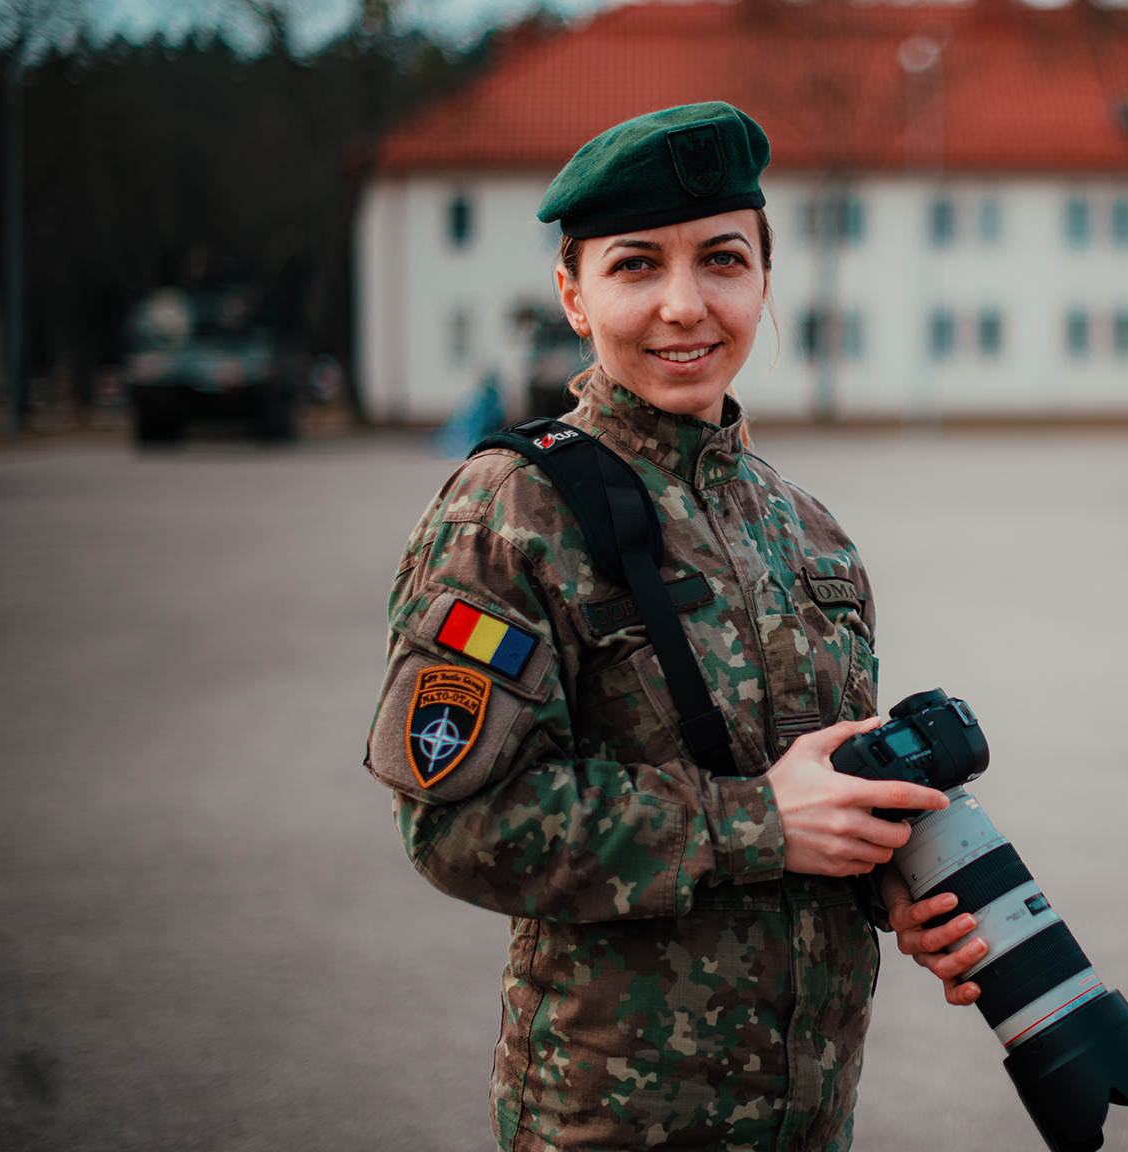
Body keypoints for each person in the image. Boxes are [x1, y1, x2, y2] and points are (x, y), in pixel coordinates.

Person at [364, 102, 987, 1152]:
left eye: (722, 261)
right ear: (573, 293)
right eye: (636, 267)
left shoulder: (807, 530)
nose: (684, 306)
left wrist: (892, 881)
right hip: (615, 1122)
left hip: (809, 1115)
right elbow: (457, 824)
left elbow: (814, 795)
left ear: (763, 281)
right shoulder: (510, 512)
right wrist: (754, 826)